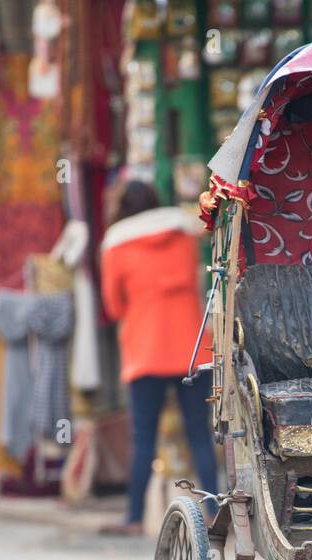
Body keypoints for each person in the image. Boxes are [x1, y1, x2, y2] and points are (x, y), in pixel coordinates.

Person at [98, 181, 216, 536]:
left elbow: (113, 306)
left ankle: (134, 518)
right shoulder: (183, 235)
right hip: (191, 349)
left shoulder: (116, 246)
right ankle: (213, 513)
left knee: (143, 439)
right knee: (200, 436)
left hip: (145, 352)